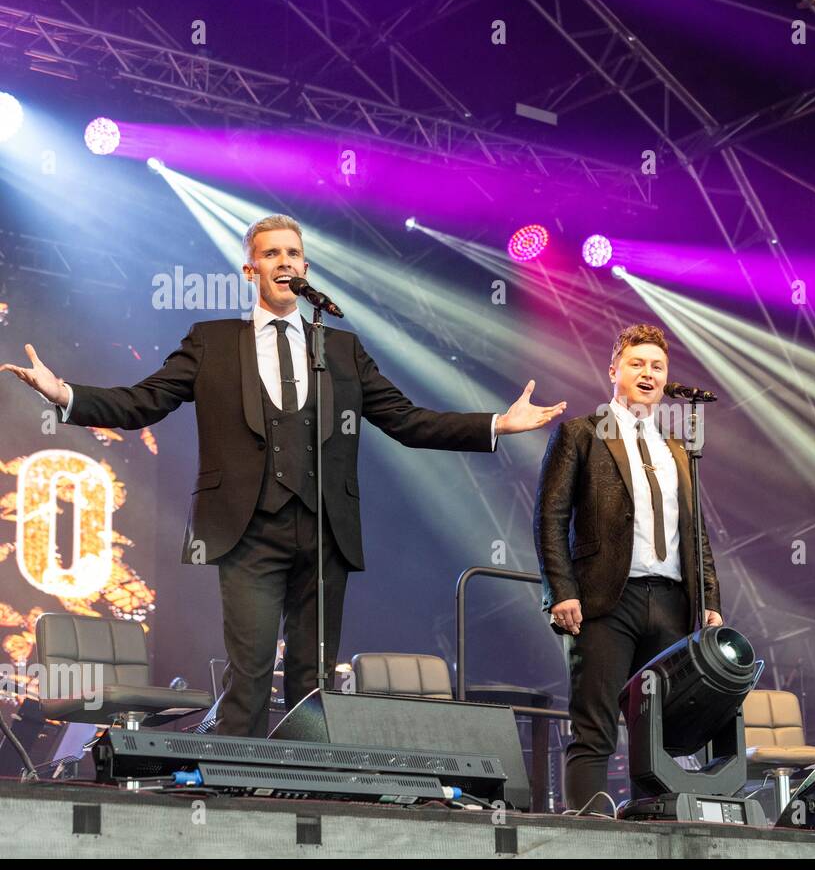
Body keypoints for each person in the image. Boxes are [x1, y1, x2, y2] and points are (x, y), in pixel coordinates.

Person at [2, 214, 565, 736]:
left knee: (313, 678)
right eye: (271, 253)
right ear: (251, 269)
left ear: (306, 269)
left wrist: (496, 423)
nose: (284, 262)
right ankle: (239, 799)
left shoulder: (339, 348)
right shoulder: (213, 342)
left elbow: (407, 420)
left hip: (325, 531)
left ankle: (306, 797)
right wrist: (66, 394)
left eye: (293, 253)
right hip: (246, 530)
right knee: (248, 672)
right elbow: (143, 402)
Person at [534, 323, 721, 813]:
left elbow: (695, 534)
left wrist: (709, 603)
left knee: (656, 731)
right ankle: (590, 834)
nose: (649, 373)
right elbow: (549, 517)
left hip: (672, 603)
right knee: (595, 727)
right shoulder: (580, 433)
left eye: (657, 367)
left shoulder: (677, 450)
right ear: (613, 370)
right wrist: (561, 590)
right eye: (637, 363)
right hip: (605, 599)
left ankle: (654, 828)